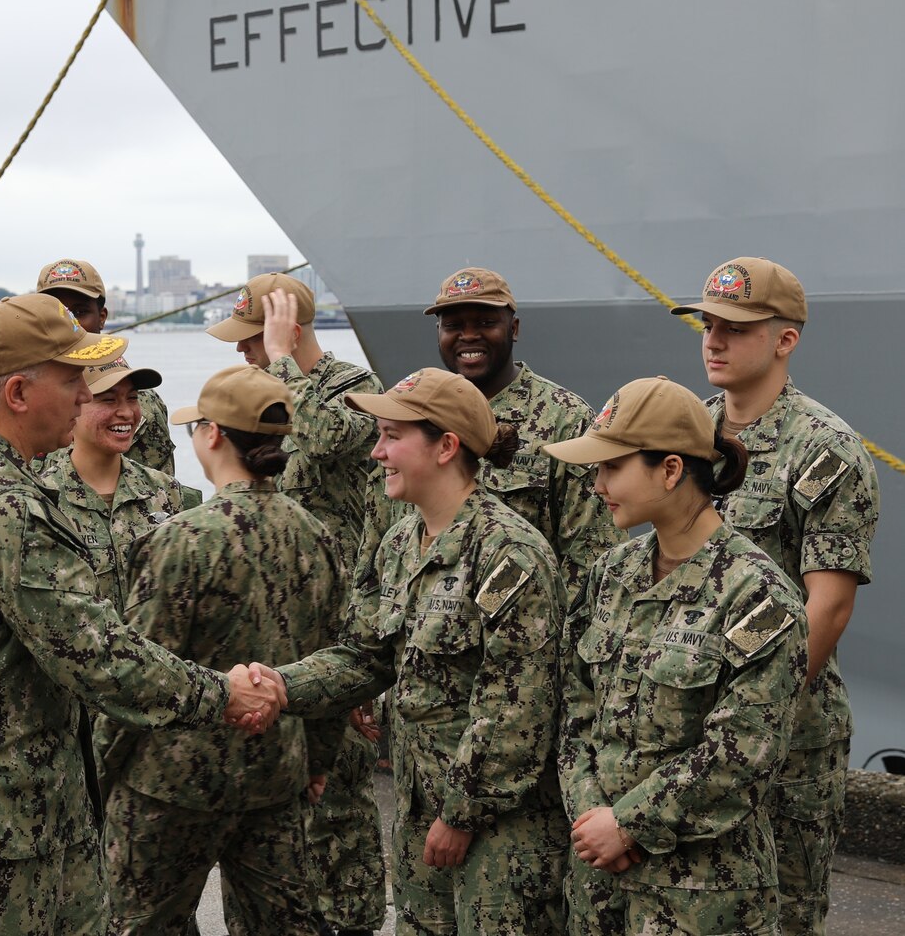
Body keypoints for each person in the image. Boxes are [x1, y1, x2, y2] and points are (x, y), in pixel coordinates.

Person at [0, 293, 285, 936]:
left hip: (18, 814)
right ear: (17, 392)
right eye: (72, 380)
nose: (82, 395)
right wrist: (222, 693)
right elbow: (94, 652)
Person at [260, 367, 569, 935]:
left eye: (391, 437)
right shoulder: (402, 541)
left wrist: (462, 813)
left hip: (497, 831)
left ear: (446, 446)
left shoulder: (508, 554)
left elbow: (516, 708)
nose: (376, 452)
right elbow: (364, 656)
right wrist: (280, 686)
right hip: (418, 811)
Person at [544, 376, 809, 935]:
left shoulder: (756, 595)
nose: (597, 485)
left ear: (670, 470)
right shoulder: (612, 574)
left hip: (699, 896)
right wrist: (593, 818)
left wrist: (629, 824)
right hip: (598, 880)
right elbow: (575, 707)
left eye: (612, 467)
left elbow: (743, 751)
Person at [101, 365, 347, 935]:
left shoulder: (183, 539)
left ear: (211, 434)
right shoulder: (316, 533)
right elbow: (333, 665)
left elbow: (136, 673)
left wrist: (103, 771)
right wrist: (318, 761)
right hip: (275, 775)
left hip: (171, 784)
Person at [671, 257, 877, 935]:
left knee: (779, 914)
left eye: (736, 327)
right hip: (686, 719)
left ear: (785, 340)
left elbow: (830, 605)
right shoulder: (686, 437)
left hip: (785, 736)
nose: (714, 340)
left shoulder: (823, 448)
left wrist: (754, 714)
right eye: (708, 324)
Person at [207, 273, 387, 936]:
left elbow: (322, 436)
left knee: (337, 801)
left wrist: (284, 361)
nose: (246, 354)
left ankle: (351, 923)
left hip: (333, 630)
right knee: (263, 800)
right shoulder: (262, 392)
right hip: (268, 626)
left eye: (252, 340)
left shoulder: (352, 390)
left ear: (291, 332)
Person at [424, 266, 624, 598]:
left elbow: (593, 553)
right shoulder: (420, 413)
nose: (469, 336)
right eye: (453, 326)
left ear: (513, 329)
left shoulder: (566, 418)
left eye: (486, 323)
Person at [40, 355, 186, 610]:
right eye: (108, 399)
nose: (127, 412)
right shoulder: (45, 501)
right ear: (72, 405)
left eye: (132, 398)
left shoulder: (166, 492)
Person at [37, 257, 175, 475]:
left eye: (79, 313)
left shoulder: (141, 403)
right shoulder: (26, 394)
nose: (68, 323)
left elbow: (158, 493)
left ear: (101, 318)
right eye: (57, 313)